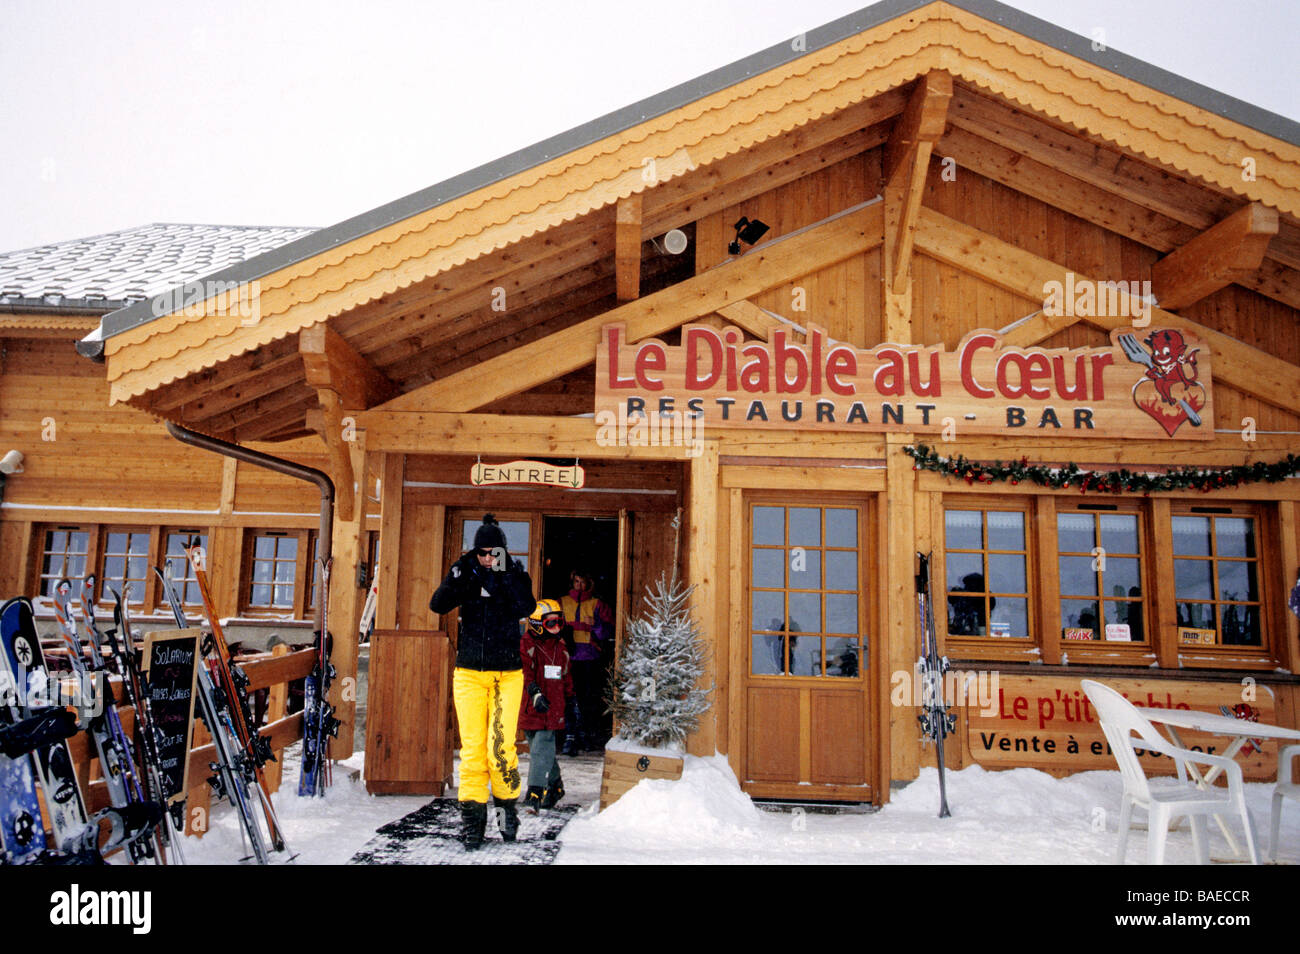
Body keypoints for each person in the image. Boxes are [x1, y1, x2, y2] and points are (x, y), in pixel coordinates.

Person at [429, 514, 535, 850]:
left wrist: (506, 577)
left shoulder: (516, 573)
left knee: (500, 749)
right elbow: (438, 604)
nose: (488, 558)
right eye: (482, 553)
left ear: (504, 551)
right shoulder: (465, 572)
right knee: (473, 751)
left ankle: (506, 815)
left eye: (494, 553)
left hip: (507, 673)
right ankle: (473, 825)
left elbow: (526, 607)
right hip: (469, 673)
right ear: (474, 552)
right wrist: (457, 575)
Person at [519, 598, 573, 813]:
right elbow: (524, 671)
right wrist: (534, 692)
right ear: (537, 625)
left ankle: (534, 793)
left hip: (554, 705)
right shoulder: (527, 644)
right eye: (551, 624)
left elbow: (567, 676)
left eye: (559, 622)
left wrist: (572, 700)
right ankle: (555, 785)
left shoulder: (560, 647)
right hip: (533, 704)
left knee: (543, 744)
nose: (556, 628)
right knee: (539, 748)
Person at [560, 568, 614, 753]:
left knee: (589, 698)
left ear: (589, 583)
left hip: (590, 657)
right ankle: (569, 734)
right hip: (567, 657)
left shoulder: (597, 604)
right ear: (572, 582)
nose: (579, 586)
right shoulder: (562, 602)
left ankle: (586, 733)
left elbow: (608, 633)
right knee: (568, 696)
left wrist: (596, 625)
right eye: (576, 582)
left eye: (583, 582)